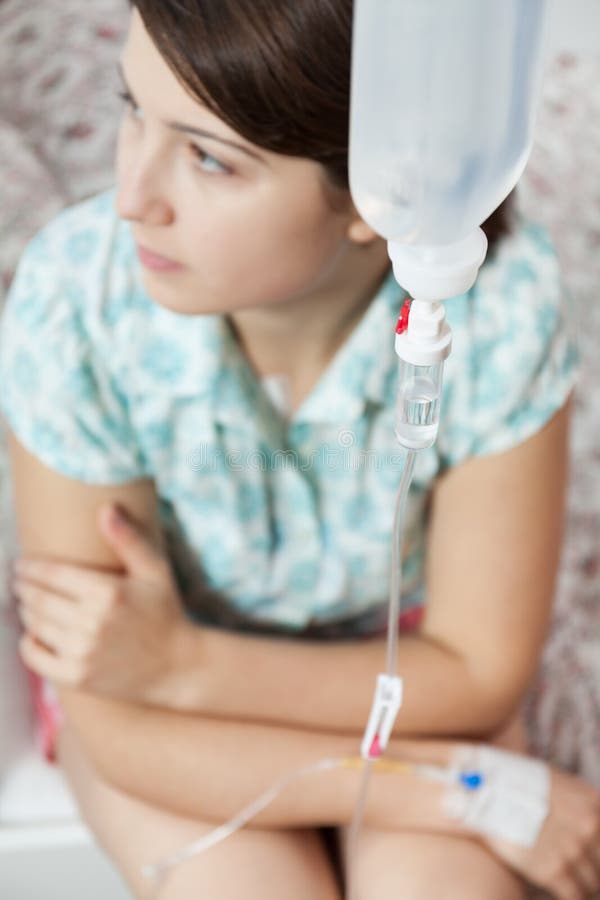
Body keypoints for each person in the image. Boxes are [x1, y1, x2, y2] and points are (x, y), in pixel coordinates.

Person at [1, 2, 599, 898]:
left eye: (209, 158)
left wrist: (183, 664)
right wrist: (465, 795)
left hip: (356, 674)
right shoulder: (75, 309)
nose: (132, 197)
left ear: (380, 192)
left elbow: (476, 669)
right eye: (133, 110)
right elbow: (118, 723)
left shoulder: (500, 310)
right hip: (158, 726)